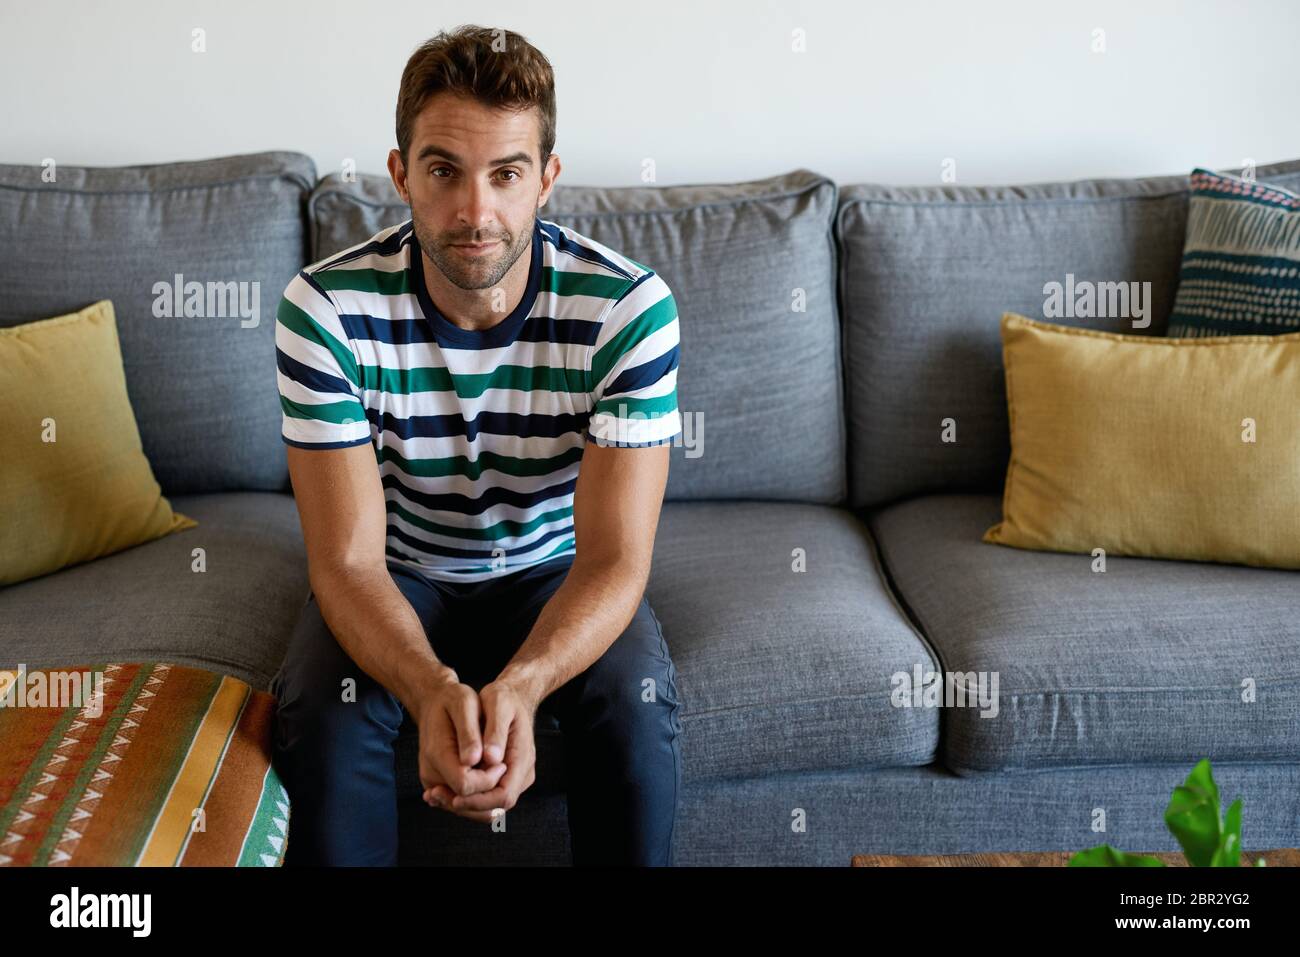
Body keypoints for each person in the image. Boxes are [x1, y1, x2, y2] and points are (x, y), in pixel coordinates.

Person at [269, 24, 684, 866]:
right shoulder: (325, 310)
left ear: (547, 181)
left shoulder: (628, 311)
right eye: (443, 170)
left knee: (636, 705)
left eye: (505, 174)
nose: (475, 213)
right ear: (401, 175)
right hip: (401, 569)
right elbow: (347, 562)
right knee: (323, 705)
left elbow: (614, 559)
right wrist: (429, 691)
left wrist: (524, 688)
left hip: (555, 572)